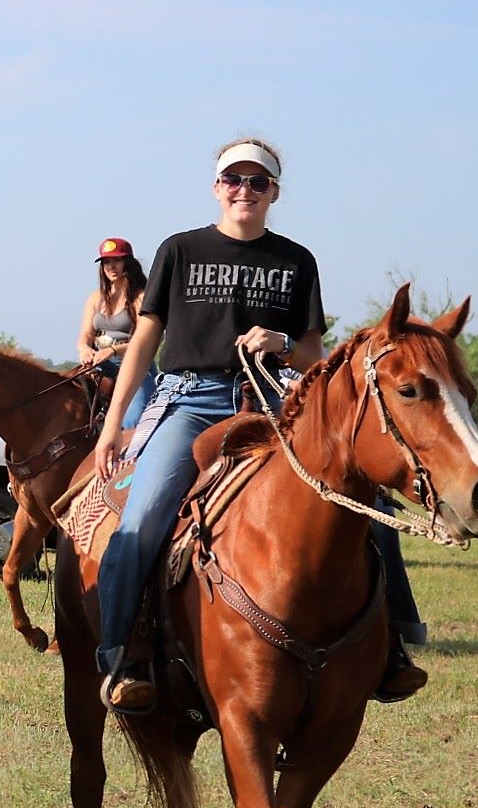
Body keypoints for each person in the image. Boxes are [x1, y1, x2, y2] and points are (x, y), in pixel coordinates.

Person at [88, 137, 426, 716]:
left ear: (274, 192)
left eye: (257, 182)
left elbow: (314, 353)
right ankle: (123, 656)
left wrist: (282, 342)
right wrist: (113, 425)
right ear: (216, 187)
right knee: (143, 518)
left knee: (371, 508)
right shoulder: (180, 250)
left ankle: (391, 646)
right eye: (233, 180)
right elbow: (145, 339)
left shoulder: (297, 261)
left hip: (273, 403)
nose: (244, 190)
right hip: (190, 399)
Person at [77, 237, 155, 431]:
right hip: (99, 365)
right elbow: (85, 333)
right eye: (106, 262)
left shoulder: (141, 297)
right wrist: (84, 348)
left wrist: (113, 350)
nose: (111, 267)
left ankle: (128, 453)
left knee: (132, 421)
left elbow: (146, 340)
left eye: (117, 261)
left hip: (133, 366)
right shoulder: (96, 298)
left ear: (128, 263)